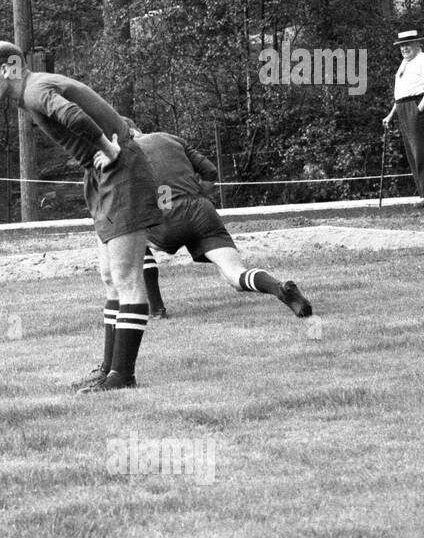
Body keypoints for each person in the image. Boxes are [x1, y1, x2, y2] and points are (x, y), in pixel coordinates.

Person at [0, 41, 161, 392]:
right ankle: (108, 369)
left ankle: (123, 377)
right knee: (110, 275)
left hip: (120, 171)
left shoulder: (34, 90)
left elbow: (75, 116)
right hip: (106, 175)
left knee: (126, 276)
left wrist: (109, 149)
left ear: (8, 68)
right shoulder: (35, 90)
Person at [87, 120, 313, 388]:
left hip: (161, 217)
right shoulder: (170, 138)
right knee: (234, 274)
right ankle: (279, 287)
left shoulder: (123, 152)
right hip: (200, 210)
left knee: (134, 241)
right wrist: (197, 197)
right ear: (138, 127)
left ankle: (156, 309)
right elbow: (209, 172)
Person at [381, 29, 424, 208]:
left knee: (423, 152)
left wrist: (419, 109)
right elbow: (401, 95)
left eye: (408, 44)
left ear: (418, 44)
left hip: (419, 106)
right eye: (401, 45)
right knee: (413, 154)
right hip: (404, 108)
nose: (404, 48)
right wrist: (391, 114)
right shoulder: (404, 63)